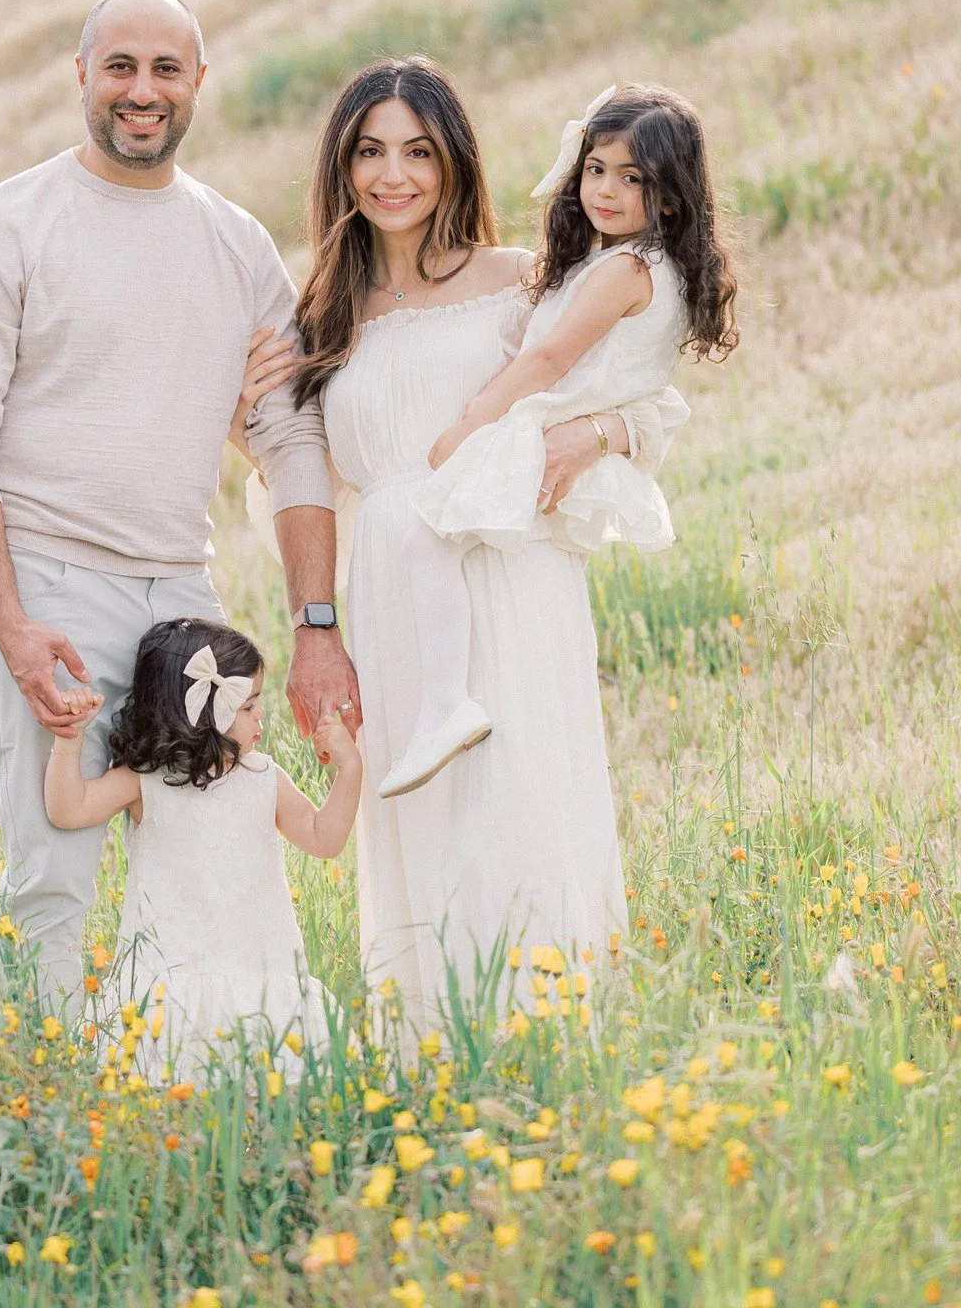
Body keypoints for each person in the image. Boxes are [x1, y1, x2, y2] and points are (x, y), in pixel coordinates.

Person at [0, 0, 359, 996]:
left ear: (199, 82)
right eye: (119, 65)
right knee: (55, 866)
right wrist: (11, 619)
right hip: (47, 585)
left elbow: (292, 438)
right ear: (80, 75)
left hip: (182, 596)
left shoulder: (237, 246)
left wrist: (316, 623)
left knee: (207, 849)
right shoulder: (3, 227)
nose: (141, 90)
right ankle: (59, 1091)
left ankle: (200, 1069)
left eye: (166, 68)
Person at [259, 55, 691, 1029]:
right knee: (421, 822)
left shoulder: (520, 283)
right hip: (394, 593)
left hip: (511, 577)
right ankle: (438, 1052)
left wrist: (593, 434)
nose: (393, 174)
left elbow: (647, 395)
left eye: (417, 150)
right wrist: (315, 624)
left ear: (454, 160)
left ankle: (550, 1035)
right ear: (342, 166)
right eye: (369, 151)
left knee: (517, 802)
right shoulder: (324, 313)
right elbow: (292, 474)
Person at [387, 85, 739, 796]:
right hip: (553, 434)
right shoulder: (651, 271)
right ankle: (448, 706)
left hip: (530, 429)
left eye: (632, 177)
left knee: (426, 540)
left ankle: (445, 705)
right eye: (597, 168)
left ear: (669, 195)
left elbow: (548, 360)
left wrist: (468, 423)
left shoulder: (624, 271)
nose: (606, 189)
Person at [42, 617, 360, 1076]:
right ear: (208, 713)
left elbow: (323, 838)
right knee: (170, 1088)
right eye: (249, 706)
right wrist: (67, 741)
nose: (261, 716)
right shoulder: (148, 781)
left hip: (257, 962)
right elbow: (68, 810)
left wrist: (350, 770)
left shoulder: (262, 777)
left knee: (266, 1089)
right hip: (170, 971)